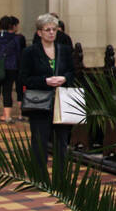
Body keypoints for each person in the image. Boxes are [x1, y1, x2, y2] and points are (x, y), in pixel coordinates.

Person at [20, 13, 76, 166]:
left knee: (62, 141)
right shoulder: (30, 52)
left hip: (61, 100)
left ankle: (60, 177)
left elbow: (73, 72)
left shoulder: (64, 50)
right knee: (40, 141)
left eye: (54, 29)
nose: (51, 32)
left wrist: (64, 79)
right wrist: (45, 81)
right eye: (47, 30)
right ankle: (40, 177)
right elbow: (24, 78)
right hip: (40, 102)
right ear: (39, 32)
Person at [0, 16, 23, 124]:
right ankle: (7, 117)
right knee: (7, 92)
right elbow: (18, 54)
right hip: (11, 67)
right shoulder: (15, 38)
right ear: (11, 26)